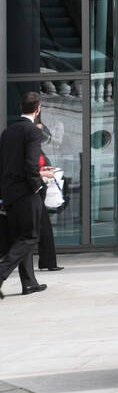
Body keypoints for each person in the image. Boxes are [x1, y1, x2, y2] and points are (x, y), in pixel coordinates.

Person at [0, 92, 48, 299]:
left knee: (22, 237)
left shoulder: (8, 132)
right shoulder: (32, 131)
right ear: (38, 109)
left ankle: (29, 283)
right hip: (26, 192)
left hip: (10, 192)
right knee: (30, 236)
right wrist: (37, 185)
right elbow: (30, 164)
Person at [36, 117, 64, 272]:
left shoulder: (37, 148)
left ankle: (48, 262)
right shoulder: (30, 147)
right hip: (31, 191)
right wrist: (43, 173)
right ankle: (48, 262)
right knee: (30, 234)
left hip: (39, 191)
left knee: (43, 228)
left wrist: (47, 170)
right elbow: (29, 170)